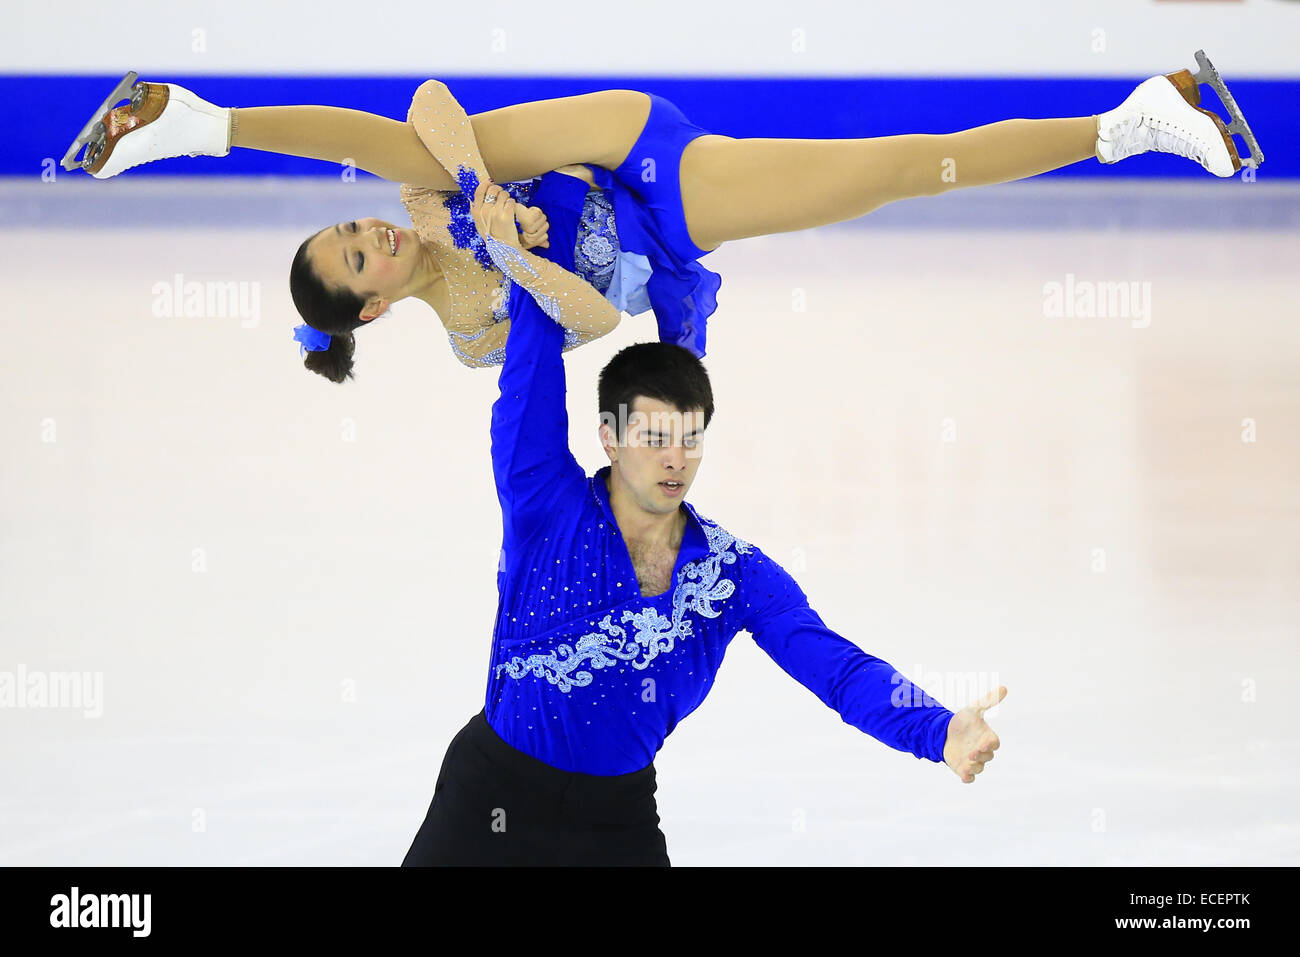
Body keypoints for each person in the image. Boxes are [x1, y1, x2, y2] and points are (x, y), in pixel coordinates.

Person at [397, 170, 1006, 866]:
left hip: (613, 823)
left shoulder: (731, 574)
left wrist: (938, 727)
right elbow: (529, 376)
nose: (675, 459)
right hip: (488, 799)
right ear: (610, 436)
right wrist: (530, 242)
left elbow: (836, 667)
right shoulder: (545, 501)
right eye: (654, 438)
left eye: (689, 437)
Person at [61, 53, 1263, 382]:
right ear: (371, 305)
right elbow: (597, 320)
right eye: (358, 253)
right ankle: (1135, 117)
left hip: (621, 147)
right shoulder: (477, 334)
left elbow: (426, 98)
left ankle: (192, 119)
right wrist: (511, 256)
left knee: (415, 139)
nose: (372, 232)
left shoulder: (427, 196)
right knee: (900, 170)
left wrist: (476, 189)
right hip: (659, 232)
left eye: (351, 227)